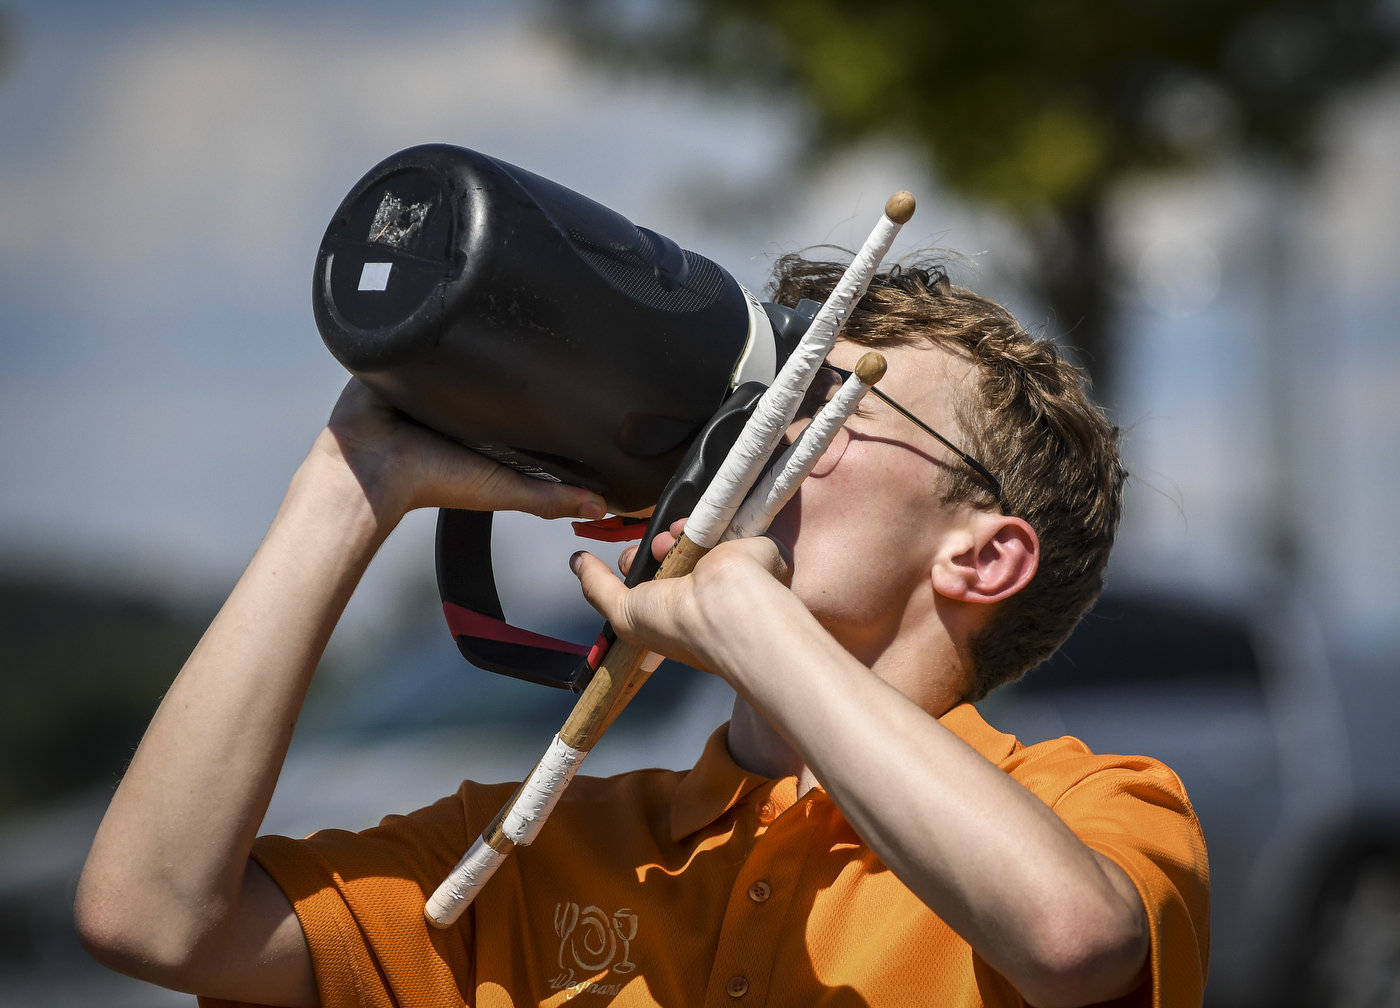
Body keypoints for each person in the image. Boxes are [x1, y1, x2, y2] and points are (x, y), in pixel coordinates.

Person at [75, 256, 1209, 1008]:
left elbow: (1072, 941)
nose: (759, 435)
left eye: (833, 404)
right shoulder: (528, 855)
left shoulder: (1094, 807)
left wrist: (753, 624)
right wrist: (347, 486)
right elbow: (153, 920)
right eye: (769, 394)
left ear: (980, 555)